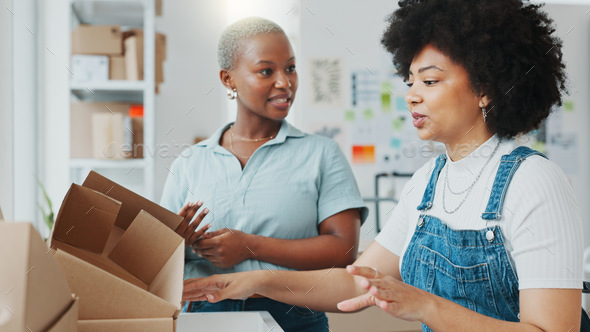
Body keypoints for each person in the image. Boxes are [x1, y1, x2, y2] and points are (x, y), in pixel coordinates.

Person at [182, 1, 588, 331]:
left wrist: (428, 307)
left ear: (484, 89)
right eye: (409, 81)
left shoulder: (534, 181)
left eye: (429, 82)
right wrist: (255, 282)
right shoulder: (428, 182)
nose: (411, 96)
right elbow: (357, 279)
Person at [160, 17, 368, 332]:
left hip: (294, 314)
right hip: (203, 313)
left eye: (291, 68)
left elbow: (344, 251)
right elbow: (159, 259)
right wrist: (181, 242)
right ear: (228, 79)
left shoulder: (321, 154)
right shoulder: (191, 161)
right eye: (266, 71)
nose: (285, 82)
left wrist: (250, 245)